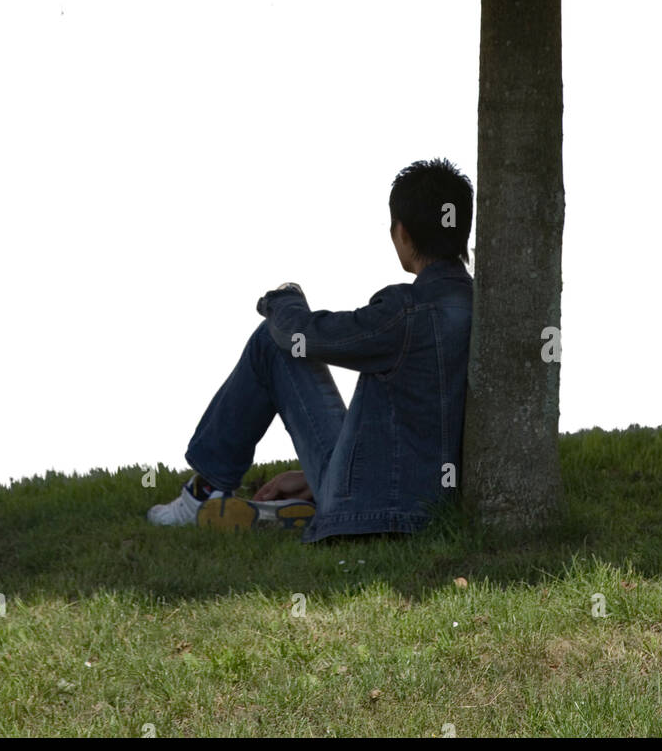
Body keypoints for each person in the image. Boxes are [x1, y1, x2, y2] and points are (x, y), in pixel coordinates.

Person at [147, 158, 474, 543]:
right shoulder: (483, 304)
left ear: (401, 232)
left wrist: (283, 298)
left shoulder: (406, 312)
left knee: (273, 341)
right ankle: (314, 490)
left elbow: (302, 334)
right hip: (426, 496)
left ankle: (205, 493)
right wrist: (319, 473)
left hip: (372, 505)